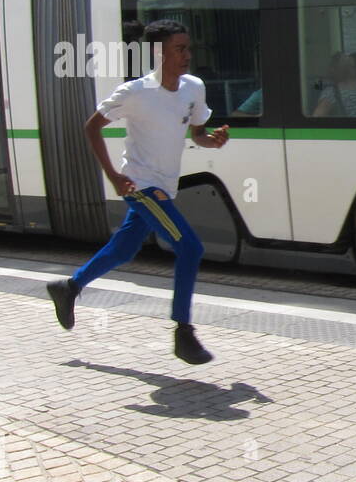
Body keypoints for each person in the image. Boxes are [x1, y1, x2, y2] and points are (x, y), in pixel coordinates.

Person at [46, 19, 230, 364]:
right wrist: (114, 176)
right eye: (179, 49)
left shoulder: (193, 88)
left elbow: (197, 134)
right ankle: (183, 332)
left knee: (123, 249)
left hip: (165, 187)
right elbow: (92, 127)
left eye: (188, 48)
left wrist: (213, 141)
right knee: (190, 247)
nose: (187, 55)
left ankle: (68, 287)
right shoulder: (136, 93)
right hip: (141, 186)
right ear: (159, 52)